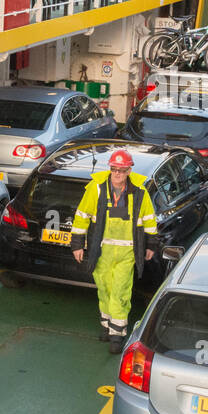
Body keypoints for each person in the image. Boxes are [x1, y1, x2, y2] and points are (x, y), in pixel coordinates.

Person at [69, 149, 160, 353]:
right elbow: (82, 216)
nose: (117, 174)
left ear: (129, 171)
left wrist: (150, 246)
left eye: (121, 170)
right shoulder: (96, 189)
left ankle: (117, 335)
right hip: (101, 252)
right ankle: (107, 327)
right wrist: (77, 245)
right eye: (114, 169)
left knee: (120, 292)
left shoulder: (140, 193)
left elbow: (149, 221)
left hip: (127, 253)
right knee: (104, 289)